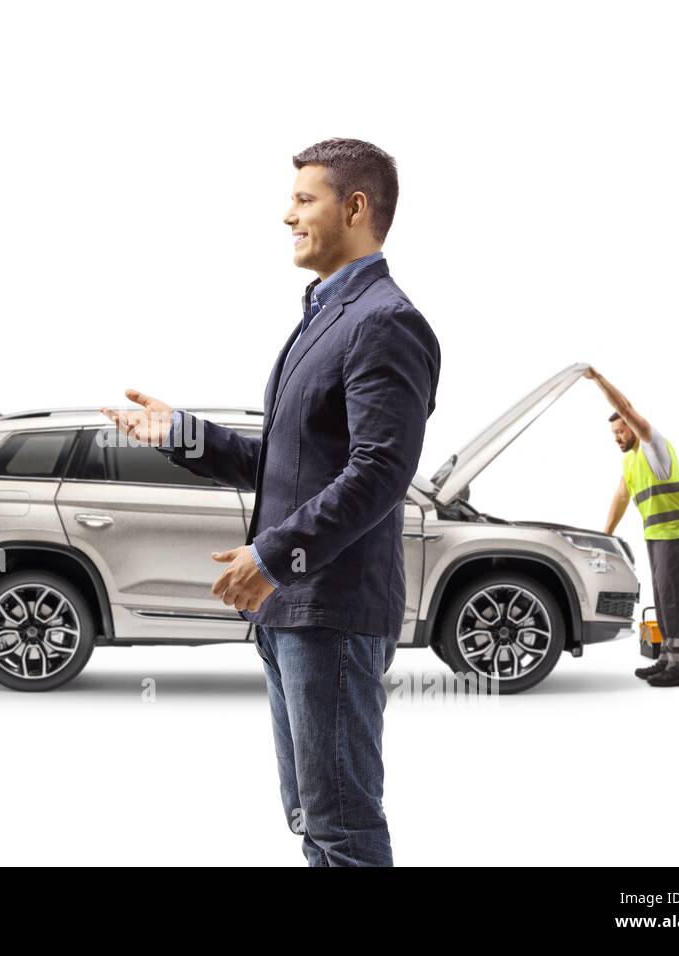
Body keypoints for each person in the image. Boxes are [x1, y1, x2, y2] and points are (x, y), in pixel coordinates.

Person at [103, 138, 440, 865]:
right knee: (312, 820)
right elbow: (287, 464)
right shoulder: (327, 315)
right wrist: (181, 434)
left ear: (354, 208)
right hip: (294, 613)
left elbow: (380, 470)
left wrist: (272, 556)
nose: (285, 214)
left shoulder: (384, 321)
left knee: (343, 825)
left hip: (334, 610)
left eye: (302, 199)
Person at [588, 367, 679, 687]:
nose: (617, 437)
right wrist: (605, 534)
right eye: (613, 434)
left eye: (621, 431)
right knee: (666, 599)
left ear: (633, 427)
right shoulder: (630, 460)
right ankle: (667, 658)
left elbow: (625, 407)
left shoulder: (653, 445)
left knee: (676, 598)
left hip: (675, 536)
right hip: (656, 537)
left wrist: (598, 379)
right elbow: (621, 496)